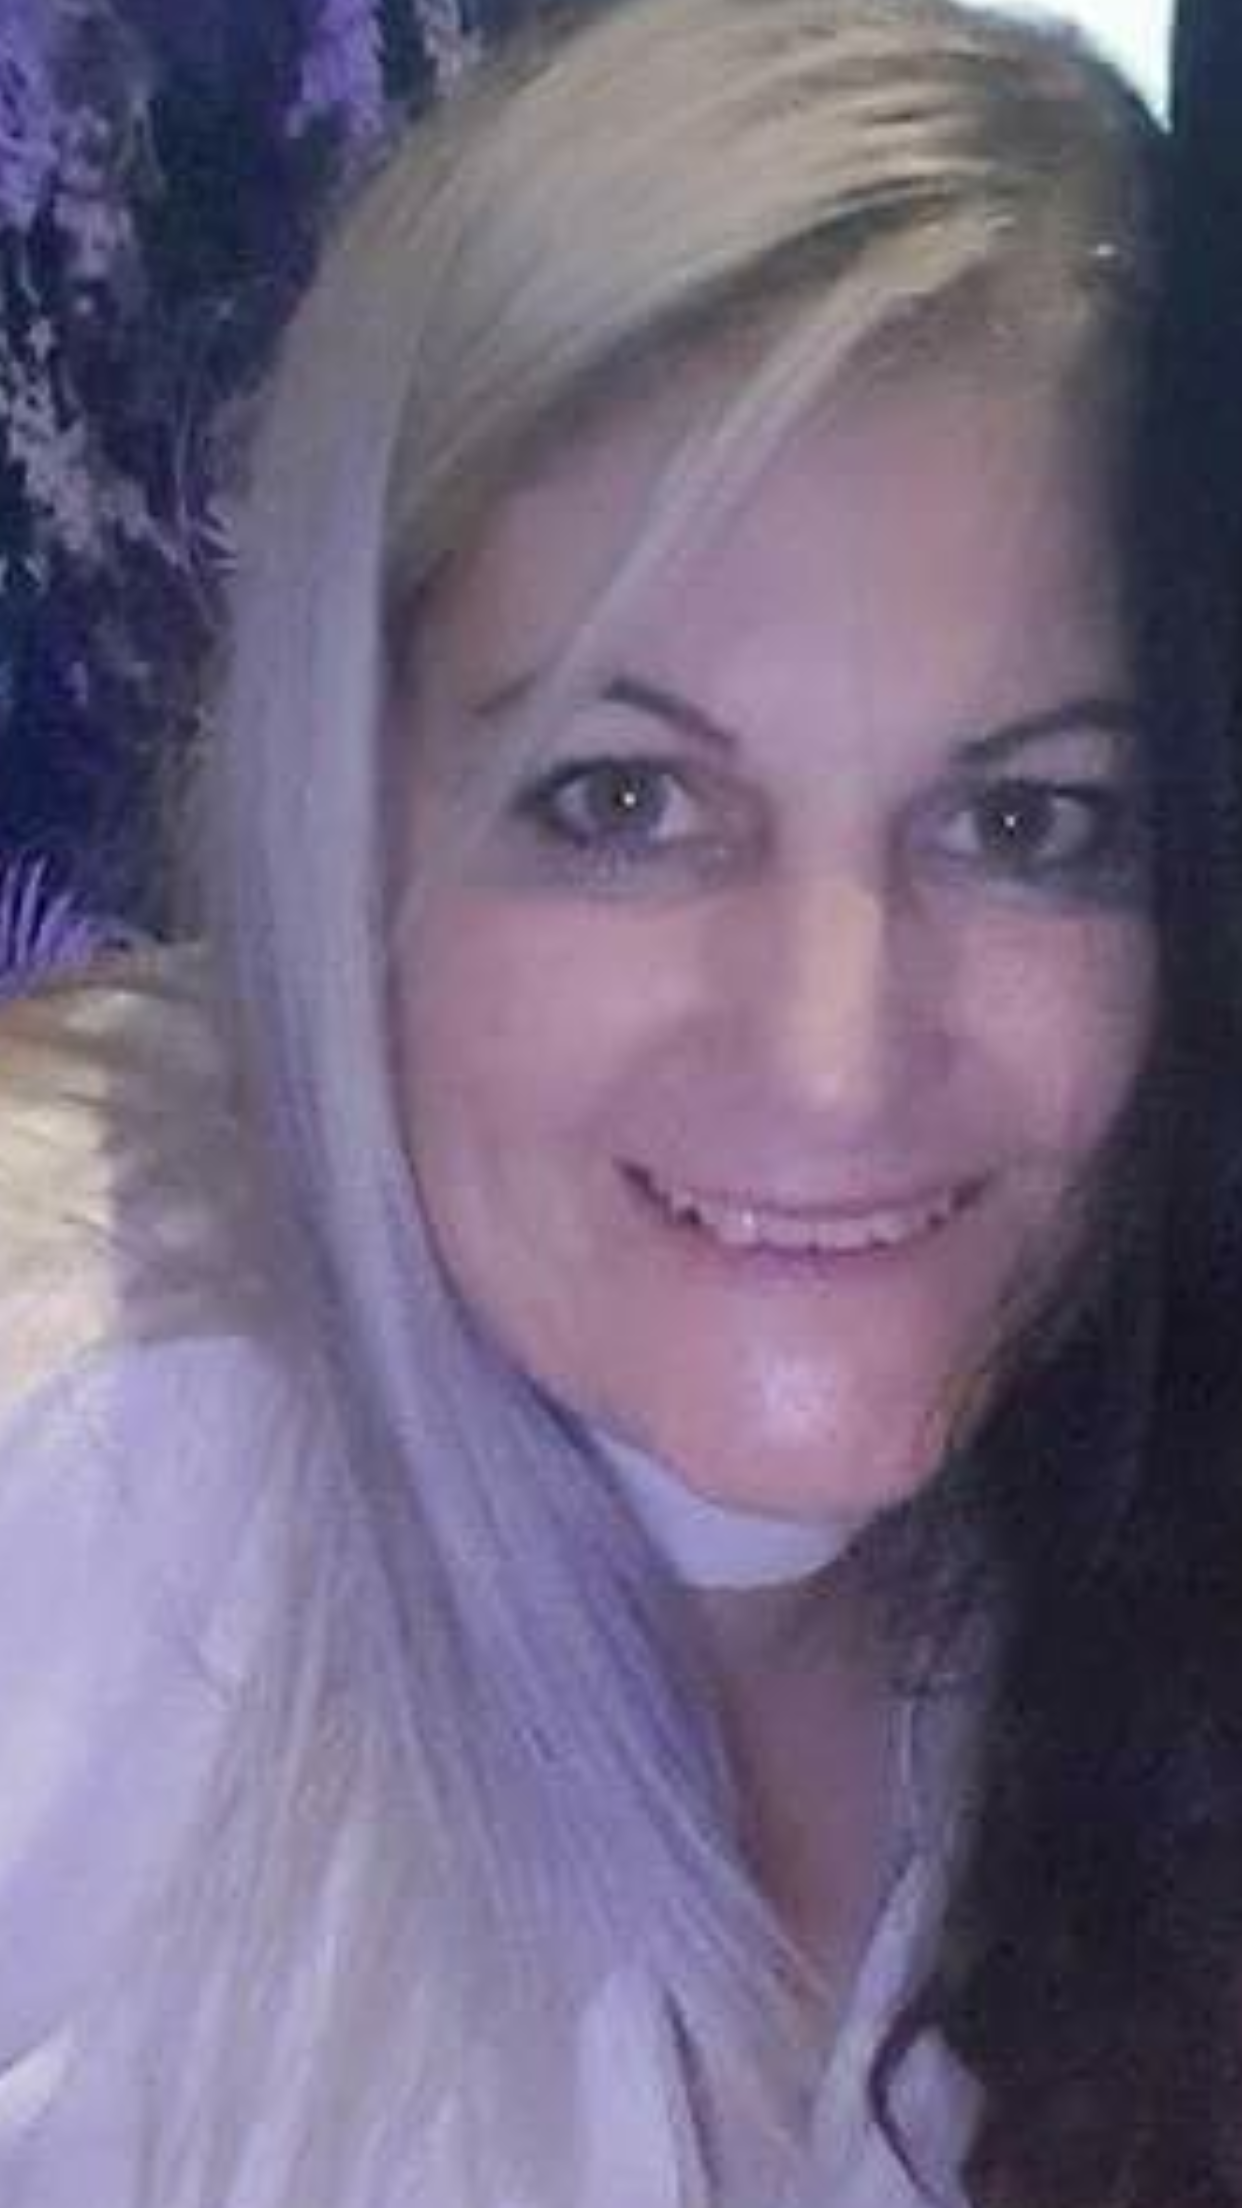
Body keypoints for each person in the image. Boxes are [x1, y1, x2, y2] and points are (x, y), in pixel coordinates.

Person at [2, 0, 1239, 2202]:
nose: (832, 1057)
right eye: (624, 799)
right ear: (345, 818)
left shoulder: (1134, 1569)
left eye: (1025, 821)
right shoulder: (87, 1516)